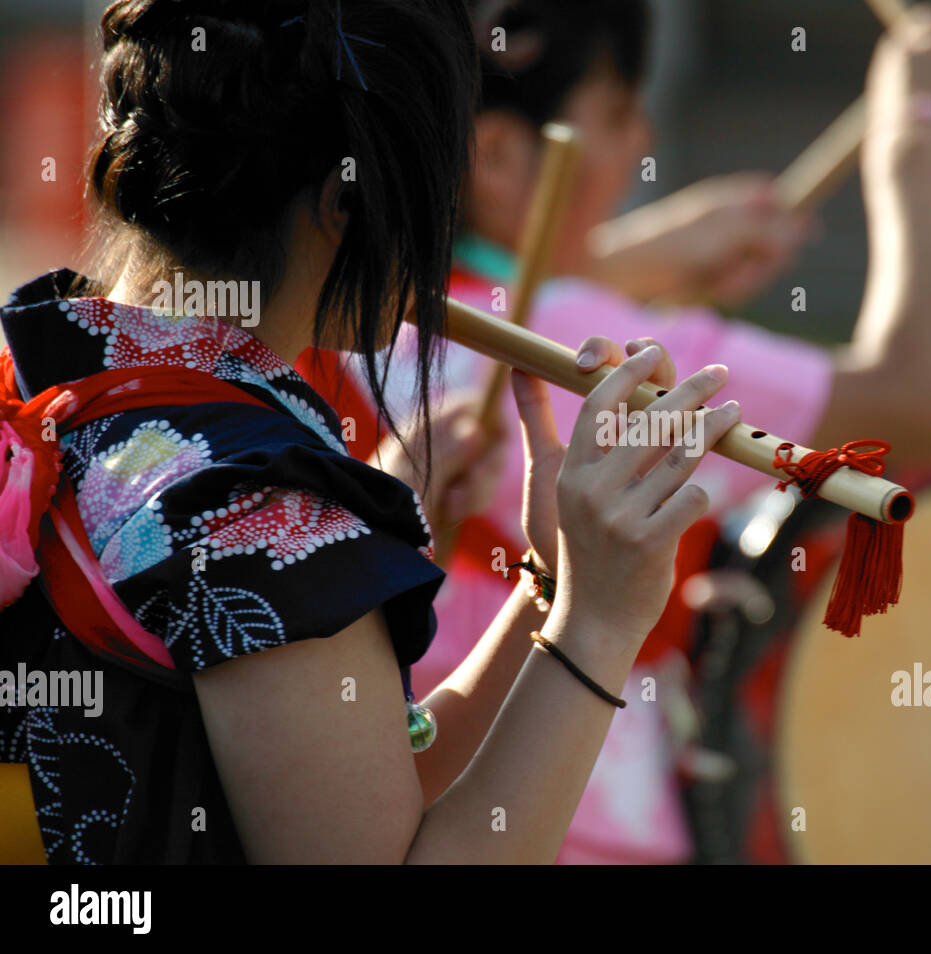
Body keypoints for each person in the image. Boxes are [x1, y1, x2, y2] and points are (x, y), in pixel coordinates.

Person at [0, 0, 730, 864]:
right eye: (433, 183)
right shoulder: (265, 512)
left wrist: (549, 587)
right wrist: (602, 624)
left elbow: (358, 780)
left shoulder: (56, 374)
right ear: (348, 198)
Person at [302, 0, 931, 862]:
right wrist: (914, 146)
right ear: (496, 155)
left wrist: (632, 258)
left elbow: (515, 284)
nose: (639, 140)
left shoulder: (356, 320)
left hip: (415, 789)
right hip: (587, 823)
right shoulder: (602, 343)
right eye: (613, 112)